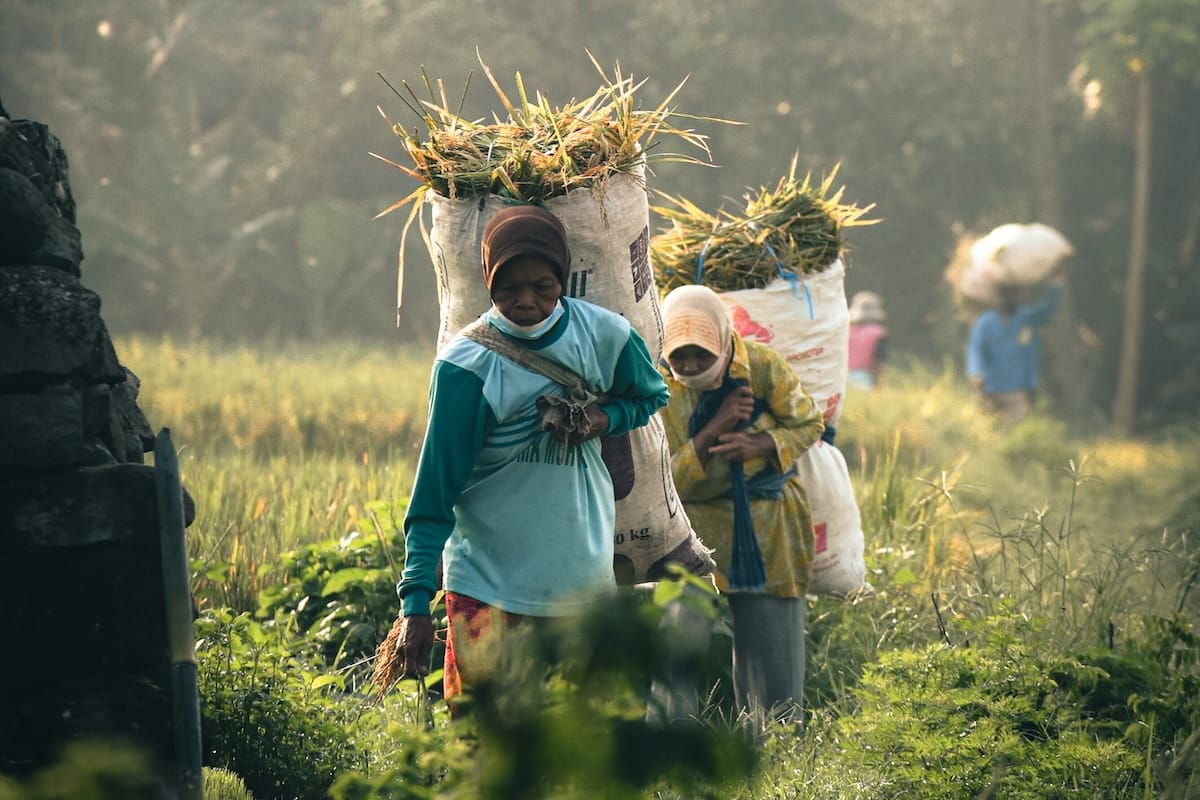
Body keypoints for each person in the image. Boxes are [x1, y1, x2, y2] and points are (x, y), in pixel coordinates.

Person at [393, 205, 669, 706]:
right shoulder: (466, 366)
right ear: (487, 282)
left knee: (578, 757)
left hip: (580, 587)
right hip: (486, 588)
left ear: (562, 278)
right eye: (508, 288)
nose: (526, 301)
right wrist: (414, 603)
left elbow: (651, 395)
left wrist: (602, 420)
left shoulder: (605, 338)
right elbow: (433, 492)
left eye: (543, 286)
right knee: (486, 757)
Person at [656, 285, 824, 725]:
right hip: (691, 534)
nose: (690, 367)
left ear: (724, 343)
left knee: (771, 650)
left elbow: (808, 421)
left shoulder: (762, 366)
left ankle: (779, 753)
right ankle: (666, 751)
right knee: (676, 643)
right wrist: (715, 429)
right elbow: (668, 479)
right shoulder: (658, 389)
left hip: (766, 528)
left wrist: (758, 443)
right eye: (680, 357)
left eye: (702, 355)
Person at [965, 269, 1064, 424]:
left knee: (1014, 428)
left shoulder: (1026, 319)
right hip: (990, 390)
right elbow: (976, 351)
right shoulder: (985, 323)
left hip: (1018, 390)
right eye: (1007, 293)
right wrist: (977, 373)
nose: (1011, 298)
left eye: (1015, 293)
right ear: (999, 296)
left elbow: (1047, 310)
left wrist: (1055, 285)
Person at [846, 291, 888, 390]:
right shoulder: (879, 333)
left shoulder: (847, 331)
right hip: (866, 377)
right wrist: (879, 381)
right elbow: (879, 360)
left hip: (844, 376)